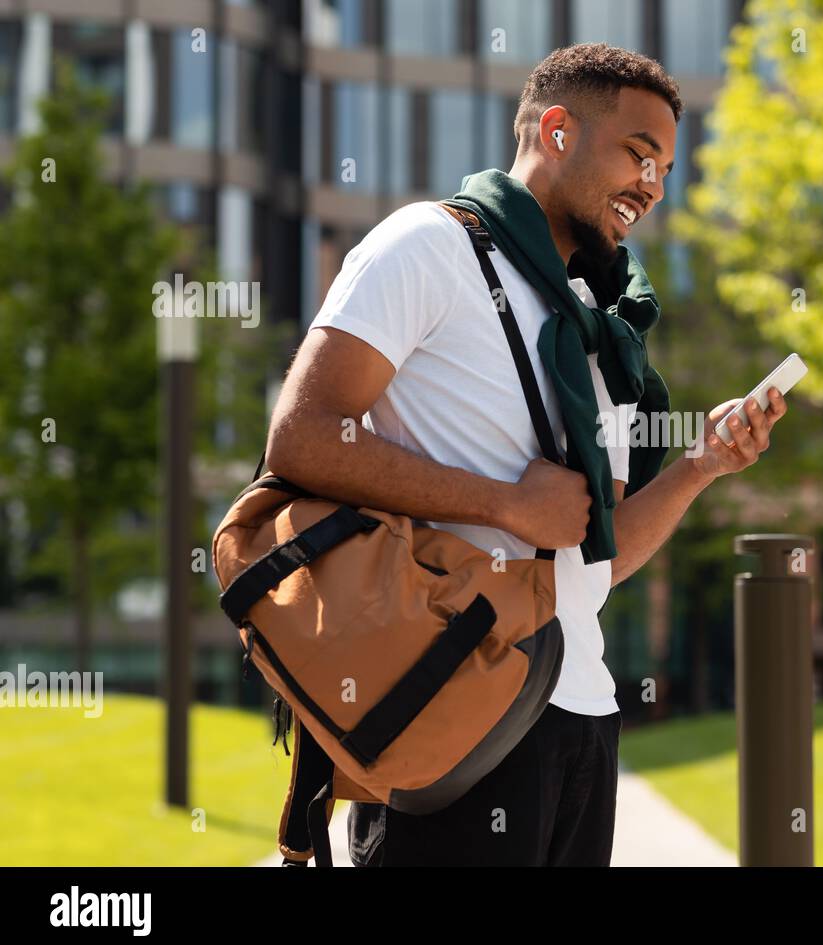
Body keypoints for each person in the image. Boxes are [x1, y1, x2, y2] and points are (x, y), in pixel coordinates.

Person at [265, 43, 786, 866]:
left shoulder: (593, 325)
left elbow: (593, 563)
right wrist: (503, 502)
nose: (653, 185)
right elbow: (300, 437)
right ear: (556, 130)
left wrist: (701, 465)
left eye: (665, 167)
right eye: (638, 154)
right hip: (452, 709)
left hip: (580, 712)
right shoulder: (427, 247)